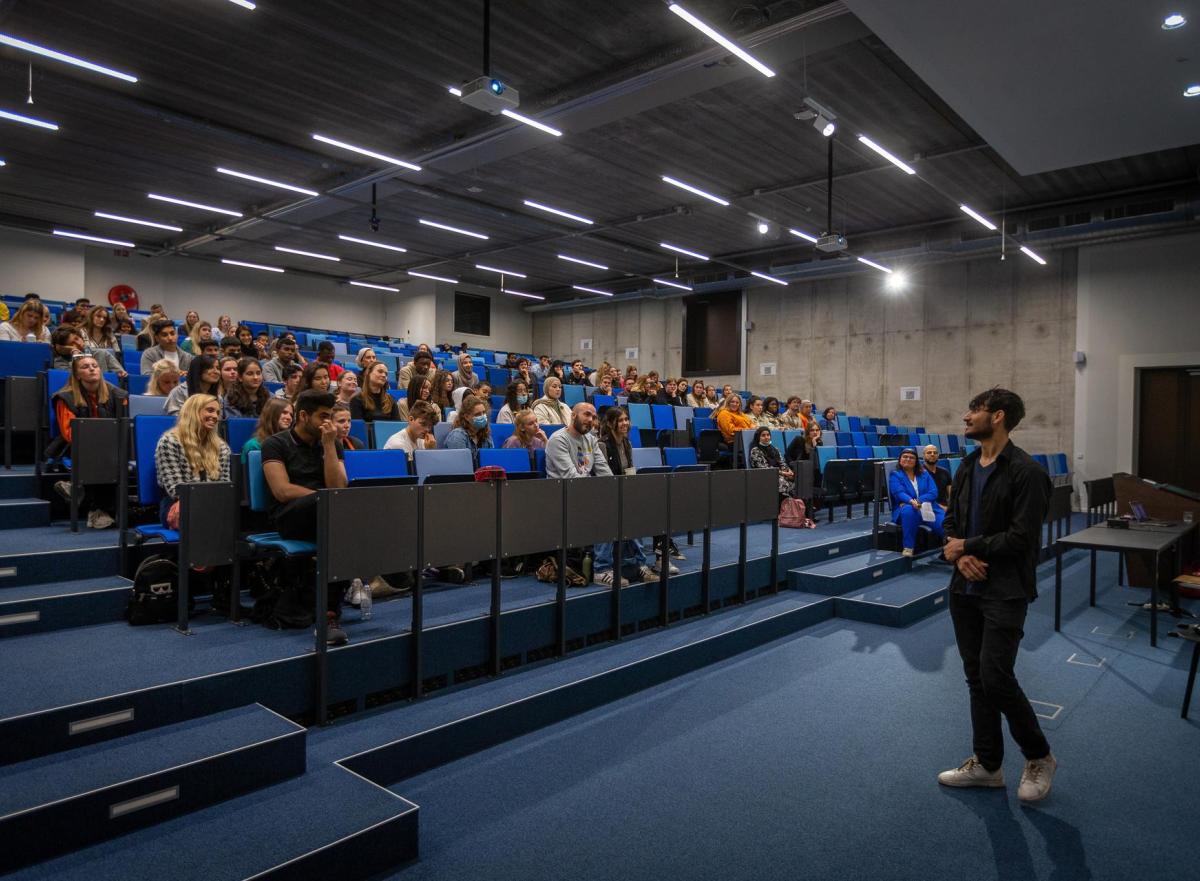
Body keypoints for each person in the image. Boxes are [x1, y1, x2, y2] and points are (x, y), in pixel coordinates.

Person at [938, 388, 1056, 802]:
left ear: (998, 416)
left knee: (996, 677)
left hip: (1005, 590)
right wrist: (958, 554)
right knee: (976, 679)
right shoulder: (967, 465)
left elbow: (1023, 539)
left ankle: (1039, 755)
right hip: (964, 588)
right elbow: (950, 521)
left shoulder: (1028, 472)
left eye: (976, 409)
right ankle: (988, 764)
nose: (967, 416)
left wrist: (968, 547)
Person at [260, 390, 349, 645]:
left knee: (346, 516)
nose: (329, 423)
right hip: (288, 516)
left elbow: (338, 487)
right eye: (323, 416)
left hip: (326, 513)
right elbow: (282, 490)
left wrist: (330, 445)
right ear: (302, 415)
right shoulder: (275, 444)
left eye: (331, 416)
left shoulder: (332, 442)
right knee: (335, 508)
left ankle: (329, 612)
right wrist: (324, 497)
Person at [546, 403, 655, 588]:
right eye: (586, 415)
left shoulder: (590, 440)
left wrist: (617, 493)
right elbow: (572, 479)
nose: (590, 420)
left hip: (586, 493)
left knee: (628, 505)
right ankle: (601, 570)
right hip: (564, 496)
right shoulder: (559, 440)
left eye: (594, 417)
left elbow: (605, 473)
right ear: (573, 415)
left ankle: (639, 565)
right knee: (605, 511)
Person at [48, 354, 128, 528]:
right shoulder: (65, 397)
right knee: (103, 456)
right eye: (85, 367)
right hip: (74, 446)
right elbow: (69, 433)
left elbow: (126, 426)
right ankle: (97, 509)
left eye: (95, 365)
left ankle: (78, 489)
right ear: (76, 375)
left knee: (109, 455)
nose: (92, 368)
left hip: (111, 446)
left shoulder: (118, 394)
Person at [154, 393, 231, 526]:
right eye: (210, 410)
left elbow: (225, 484)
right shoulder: (170, 441)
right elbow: (175, 488)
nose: (215, 416)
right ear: (193, 411)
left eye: (218, 412)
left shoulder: (221, 446)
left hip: (212, 502)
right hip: (178, 502)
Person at [888, 448, 945, 557]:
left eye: (912, 457)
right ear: (900, 460)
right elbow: (898, 492)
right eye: (905, 457)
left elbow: (933, 492)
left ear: (916, 461)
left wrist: (918, 501)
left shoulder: (924, 474)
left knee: (945, 523)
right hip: (906, 509)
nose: (908, 459)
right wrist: (910, 502)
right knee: (909, 510)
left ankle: (950, 549)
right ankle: (908, 547)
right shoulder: (895, 475)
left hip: (928, 508)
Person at [51, 326, 126, 376]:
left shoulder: (102, 353)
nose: (78, 343)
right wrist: (74, 352)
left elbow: (121, 375)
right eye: (72, 343)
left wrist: (121, 375)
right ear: (64, 347)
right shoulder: (60, 362)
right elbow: (75, 379)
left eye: (77, 338)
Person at [443, 394, 493, 466]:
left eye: (484, 412)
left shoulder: (486, 436)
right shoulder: (457, 436)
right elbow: (461, 467)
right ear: (466, 417)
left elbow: (491, 463)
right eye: (477, 414)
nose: (482, 416)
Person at [749, 426, 794, 499]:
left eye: (768, 435)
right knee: (783, 482)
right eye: (763, 435)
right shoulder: (755, 451)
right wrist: (784, 473)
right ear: (758, 437)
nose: (766, 437)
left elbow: (782, 463)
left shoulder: (774, 449)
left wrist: (789, 471)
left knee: (796, 478)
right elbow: (765, 468)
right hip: (765, 476)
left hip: (779, 473)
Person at [923, 444, 952, 509]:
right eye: (929, 452)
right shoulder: (919, 472)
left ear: (938, 455)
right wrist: (941, 507)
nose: (932, 454)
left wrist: (951, 508)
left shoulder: (945, 472)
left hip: (945, 507)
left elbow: (951, 494)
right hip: (927, 506)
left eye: (935, 453)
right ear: (924, 456)